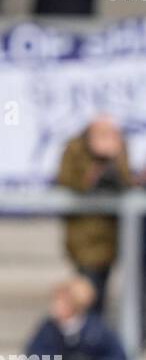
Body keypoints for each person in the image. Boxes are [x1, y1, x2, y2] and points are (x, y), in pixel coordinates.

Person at [56, 116, 131, 311]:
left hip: (112, 239)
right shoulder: (75, 149)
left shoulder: (119, 146)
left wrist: (113, 156)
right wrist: (95, 165)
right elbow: (68, 182)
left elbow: (125, 184)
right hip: (85, 241)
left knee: (101, 299)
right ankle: (87, 337)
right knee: (87, 298)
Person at [26, 276, 126, 360]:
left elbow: (118, 358)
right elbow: (33, 354)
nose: (55, 305)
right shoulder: (48, 328)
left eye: (60, 301)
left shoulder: (97, 329)